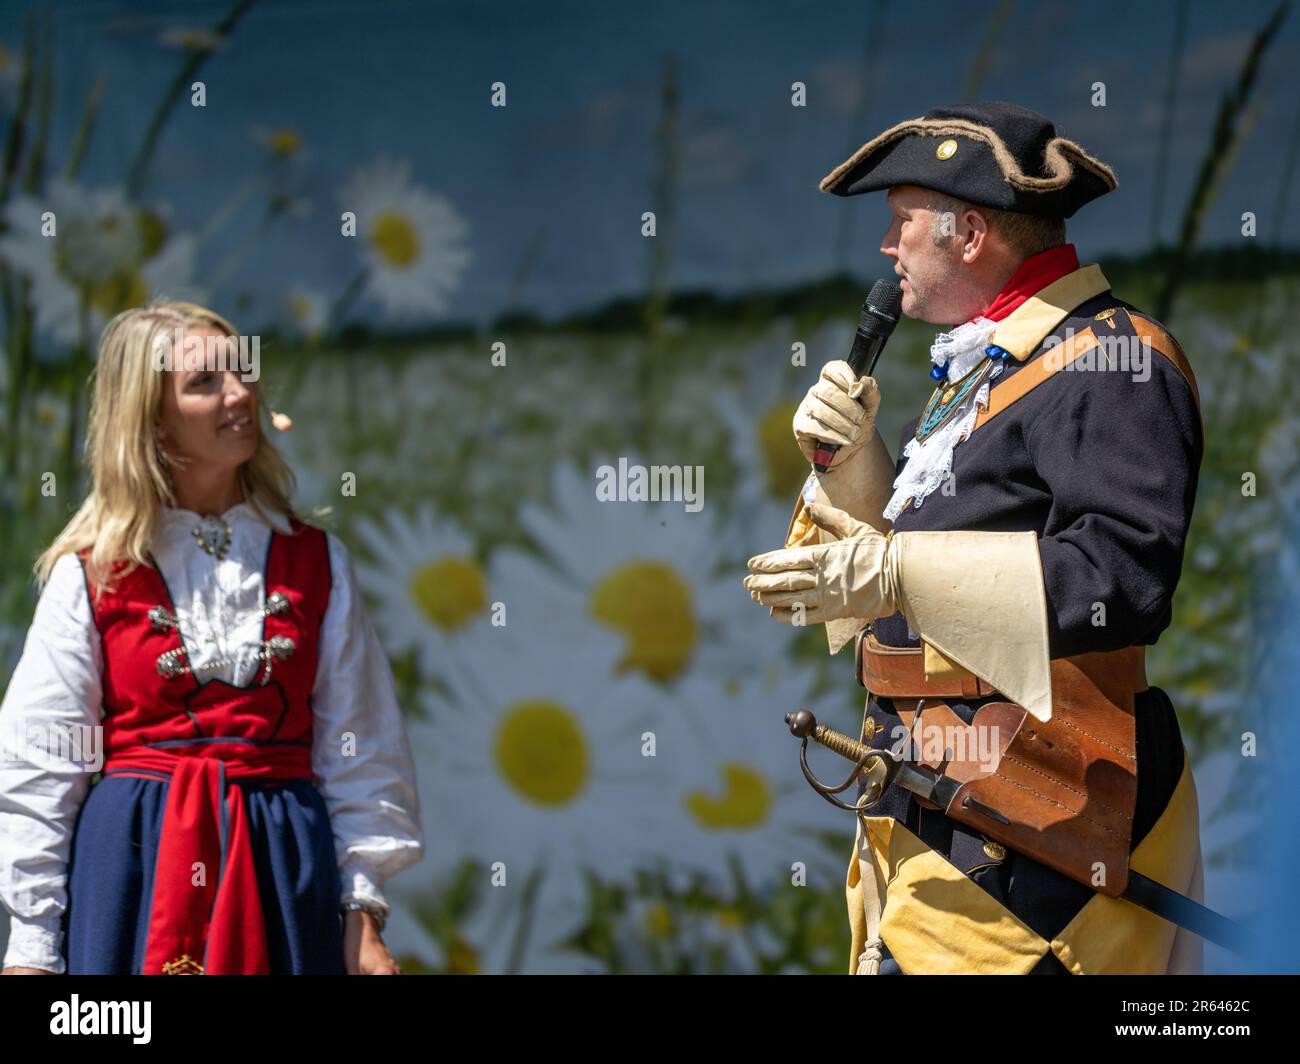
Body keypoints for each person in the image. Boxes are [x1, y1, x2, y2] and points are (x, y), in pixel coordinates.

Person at [743, 102, 1205, 975]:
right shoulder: (993, 364)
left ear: (971, 234)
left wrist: (893, 571)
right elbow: (940, 561)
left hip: (1052, 833)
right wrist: (857, 474)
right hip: (953, 804)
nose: (886, 247)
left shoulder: (1115, 358)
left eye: (901, 222)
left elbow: (1125, 576)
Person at [0, 302, 422, 975]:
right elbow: (39, 764)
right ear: (152, 421)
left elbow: (360, 746)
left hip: (282, 867)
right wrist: (30, 949)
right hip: (132, 872)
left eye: (242, 372)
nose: (240, 393)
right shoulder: (92, 573)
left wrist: (362, 911)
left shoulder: (316, 560)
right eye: (205, 383)